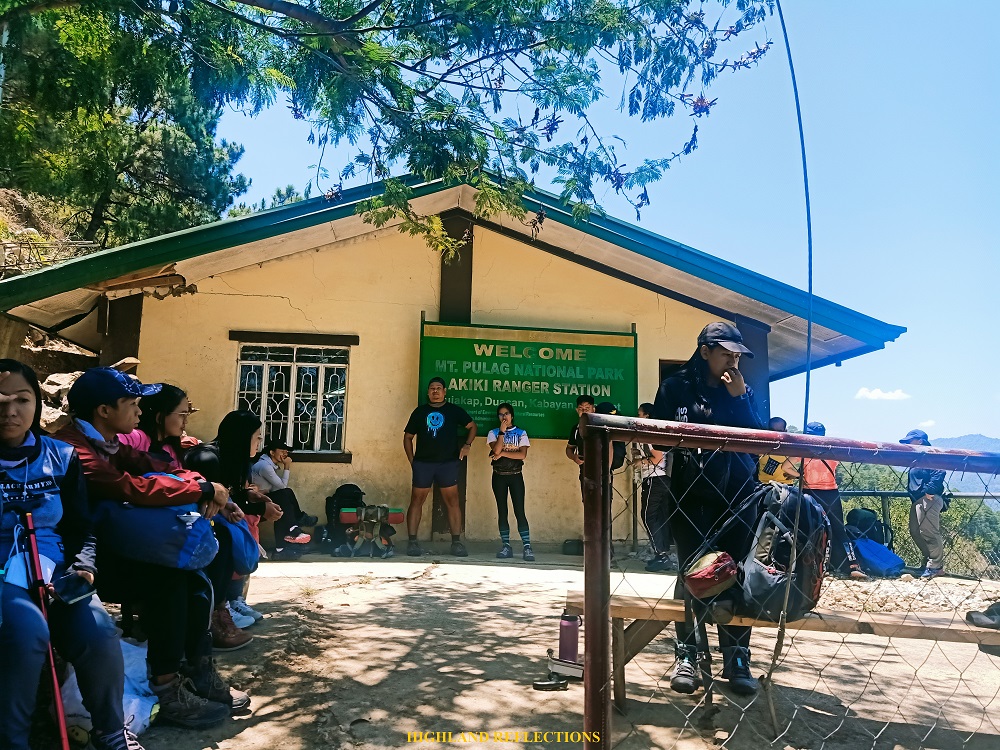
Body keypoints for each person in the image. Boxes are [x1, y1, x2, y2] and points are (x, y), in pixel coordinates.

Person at [54, 367, 245, 726]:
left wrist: (208, 486)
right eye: (132, 403)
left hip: (113, 545)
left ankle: (197, 669)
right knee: (168, 581)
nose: (139, 412)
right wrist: (204, 490)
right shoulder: (74, 449)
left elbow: (158, 468)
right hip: (80, 559)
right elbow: (128, 487)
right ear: (104, 410)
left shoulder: (110, 441)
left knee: (195, 578)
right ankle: (167, 688)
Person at [0, 360, 147, 750]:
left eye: (22, 399)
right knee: (28, 630)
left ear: (37, 404)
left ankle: (111, 730)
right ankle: (13, 741)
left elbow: (81, 528)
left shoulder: (61, 456)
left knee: (97, 632)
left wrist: (84, 568)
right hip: (3, 573)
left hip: (55, 568)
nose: (10, 410)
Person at [651, 321, 763, 696]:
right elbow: (658, 437)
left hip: (737, 496)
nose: (733, 361)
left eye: (737, 355)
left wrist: (738, 396)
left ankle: (737, 655)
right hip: (690, 496)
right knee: (692, 574)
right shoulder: (675, 387)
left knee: (736, 574)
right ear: (704, 352)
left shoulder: (743, 390)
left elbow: (759, 439)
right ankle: (688, 653)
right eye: (726, 353)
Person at [185, 411, 278, 635]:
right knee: (225, 539)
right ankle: (218, 608)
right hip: (190, 523)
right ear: (242, 437)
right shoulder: (208, 459)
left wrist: (251, 497)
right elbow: (213, 504)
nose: (259, 442)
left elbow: (231, 496)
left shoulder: (236, 460)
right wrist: (258, 508)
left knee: (240, 536)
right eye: (256, 437)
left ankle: (231, 600)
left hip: (216, 519)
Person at [782, 422, 866, 580]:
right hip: (831, 493)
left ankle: (820, 567)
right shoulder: (832, 451)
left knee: (813, 529)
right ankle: (853, 565)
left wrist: (800, 476)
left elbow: (785, 467)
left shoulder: (804, 451)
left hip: (810, 492)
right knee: (839, 530)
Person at [403, 377, 477, 557]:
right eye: (432, 388)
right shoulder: (419, 412)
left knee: (453, 502)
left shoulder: (453, 411)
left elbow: (472, 426)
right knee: (416, 501)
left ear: (444, 391)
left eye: (438, 388)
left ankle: (456, 543)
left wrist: (467, 445)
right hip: (423, 463)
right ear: (428, 392)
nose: (435, 391)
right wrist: (413, 461)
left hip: (448, 463)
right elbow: (407, 437)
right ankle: (412, 542)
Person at [250, 437, 318, 558]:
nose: (285, 454)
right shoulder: (264, 466)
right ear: (271, 452)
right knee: (284, 494)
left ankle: (280, 550)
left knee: (282, 506)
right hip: (252, 505)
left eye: (286, 451)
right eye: (282, 451)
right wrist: (287, 466)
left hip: (262, 501)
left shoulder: (269, 465)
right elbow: (282, 486)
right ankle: (296, 524)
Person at [486, 403, 533, 562]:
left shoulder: (521, 433)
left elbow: (521, 455)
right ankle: (506, 545)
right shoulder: (493, 433)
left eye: (506, 414)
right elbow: (496, 450)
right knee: (502, 511)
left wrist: (502, 453)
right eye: (501, 414)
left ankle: (527, 546)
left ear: (512, 415)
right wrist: (501, 432)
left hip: (515, 476)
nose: (504, 417)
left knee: (520, 511)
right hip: (499, 476)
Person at [632, 403, 675, 572]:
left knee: (648, 516)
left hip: (655, 479)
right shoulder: (658, 432)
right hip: (662, 479)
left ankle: (661, 554)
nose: (638, 417)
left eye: (640, 414)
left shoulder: (650, 434)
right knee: (659, 517)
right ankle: (662, 554)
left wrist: (639, 462)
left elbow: (656, 458)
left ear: (647, 416)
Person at [899, 428, 946, 578]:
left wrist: (930, 491)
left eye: (909, 441)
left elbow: (940, 471)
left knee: (929, 532)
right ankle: (928, 562)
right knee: (915, 531)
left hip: (929, 499)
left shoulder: (931, 454)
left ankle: (935, 566)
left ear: (920, 441)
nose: (907, 444)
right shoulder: (918, 457)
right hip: (918, 500)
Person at [756, 416, 796, 485]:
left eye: (779, 431)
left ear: (785, 431)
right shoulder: (760, 445)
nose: (776, 434)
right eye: (772, 431)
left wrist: (797, 475)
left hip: (786, 486)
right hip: (764, 485)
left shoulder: (792, 447)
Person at [565, 395, 595, 482]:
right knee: (586, 495)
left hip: (602, 471)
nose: (584, 411)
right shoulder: (576, 429)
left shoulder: (601, 427)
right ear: (577, 410)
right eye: (581, 408)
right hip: (584, 471)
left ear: (593, 409)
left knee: (604, 496)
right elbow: (569, 448)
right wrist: (574, 457)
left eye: (587, 408)